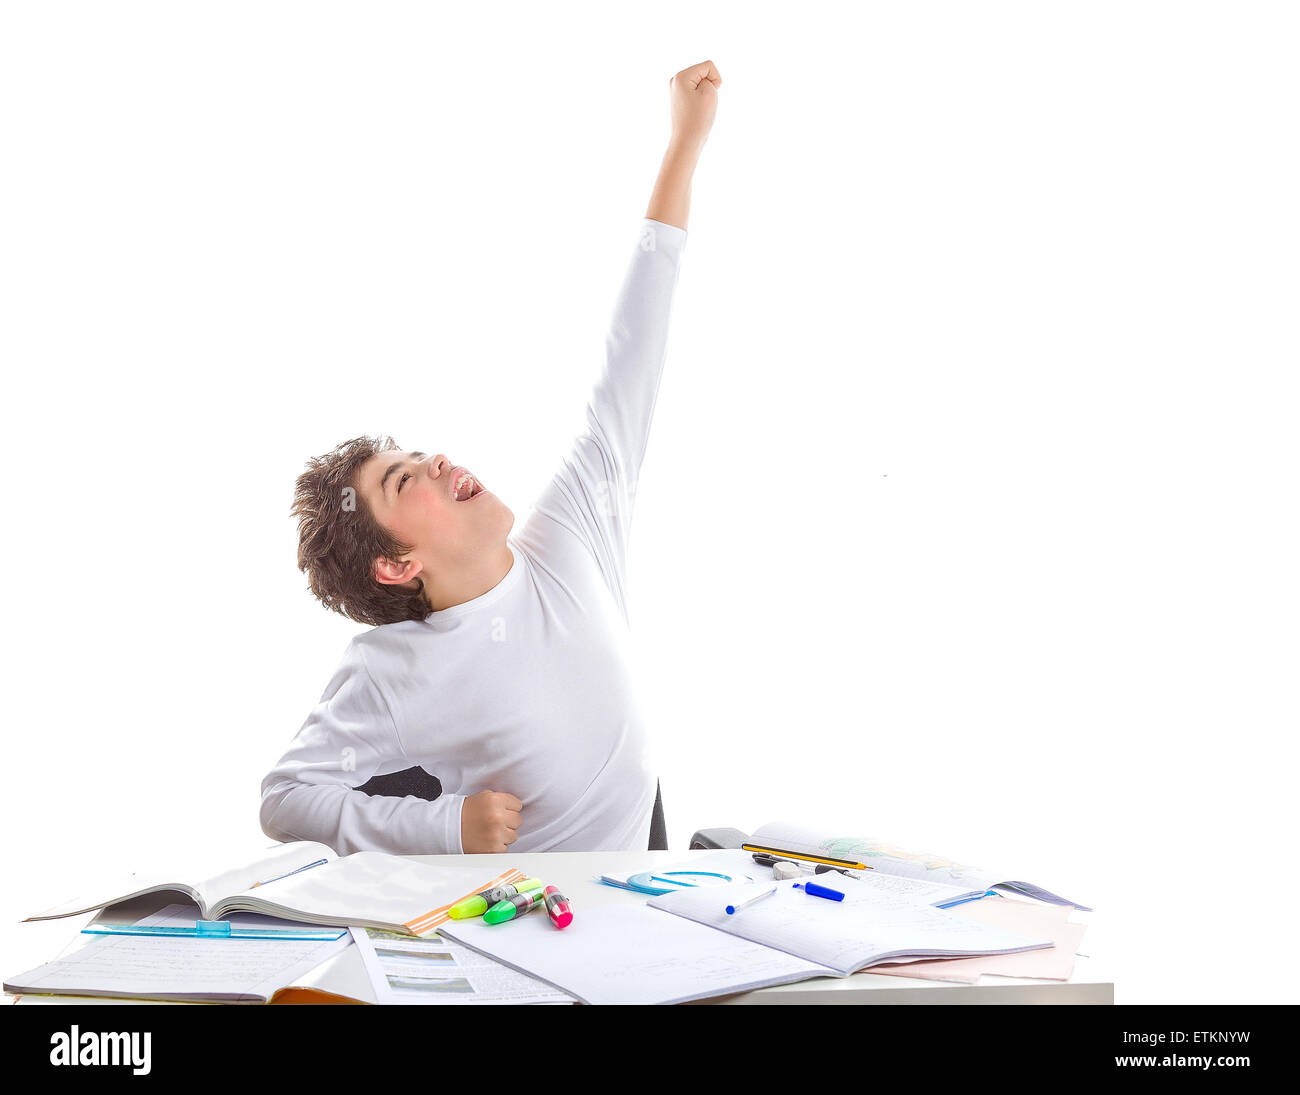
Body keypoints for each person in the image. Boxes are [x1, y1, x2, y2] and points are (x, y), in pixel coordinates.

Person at [259, 61, 721, 855]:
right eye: (405, 478)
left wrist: (683, 144)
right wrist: (441, 824)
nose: (436, 459)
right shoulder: (392, 671)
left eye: (417, 452)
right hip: (534, 936)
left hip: (644, 894)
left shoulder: (570, 535)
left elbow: (631, 356)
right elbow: (285, 799)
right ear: (396, 565)